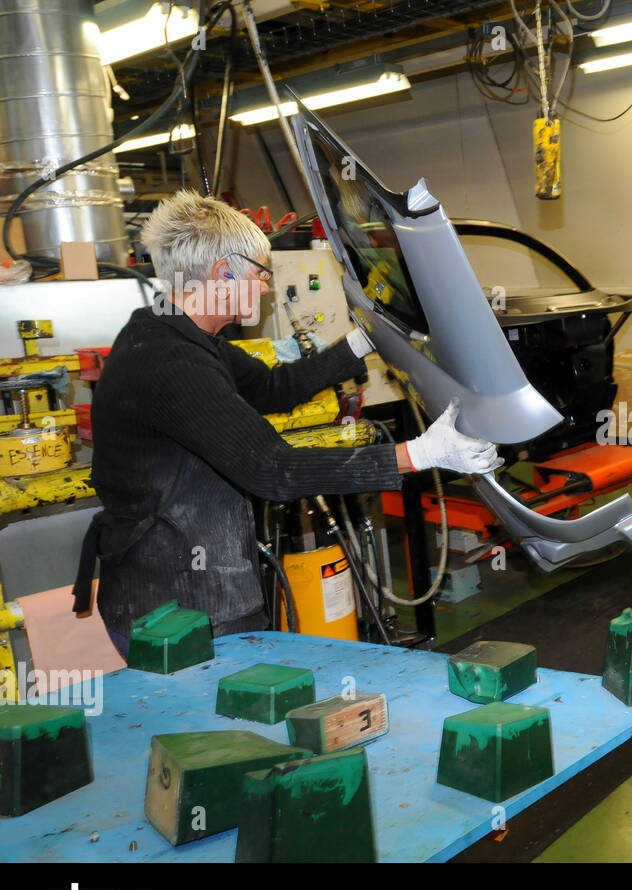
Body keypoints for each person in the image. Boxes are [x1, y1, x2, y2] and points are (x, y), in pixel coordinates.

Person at [72, 191, 500, 656]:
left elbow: (271, 387)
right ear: (222, 273)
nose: (265, 288)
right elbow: (272, 470)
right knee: (220, 726)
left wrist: (361, 342)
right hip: (180, 606)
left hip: (180, 584)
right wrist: (420, 453)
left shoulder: (175, 331)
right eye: (259, 274)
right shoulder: (172, 361)